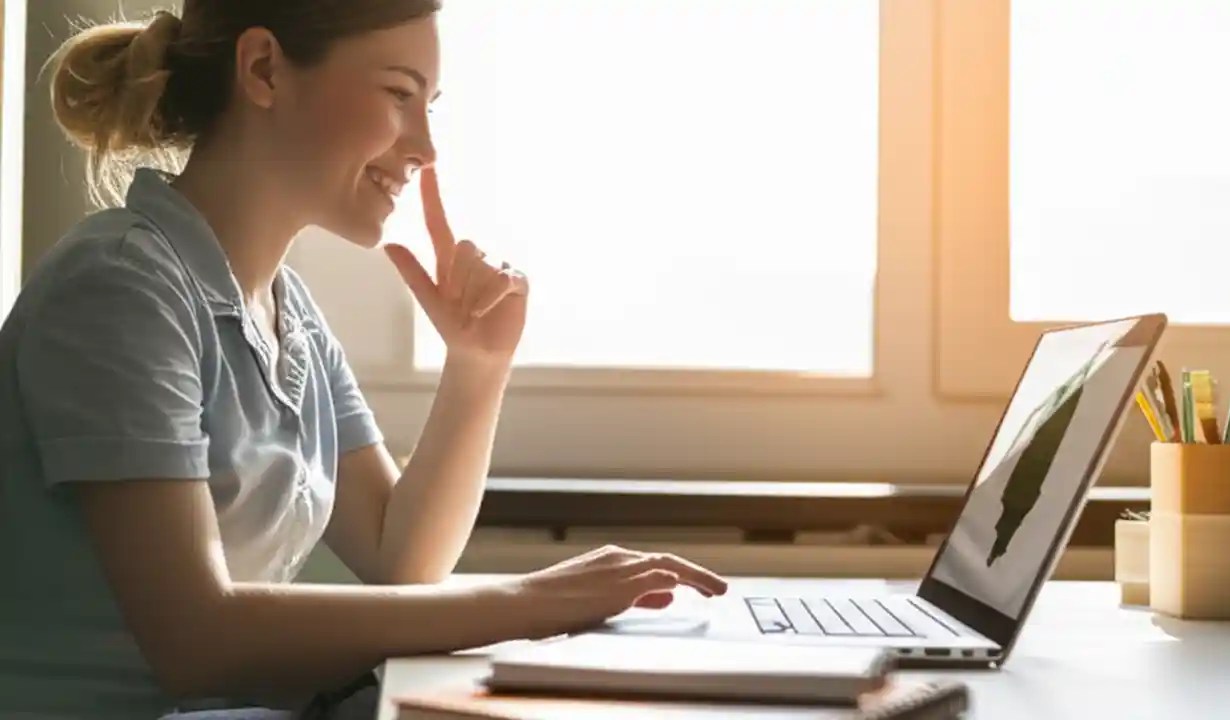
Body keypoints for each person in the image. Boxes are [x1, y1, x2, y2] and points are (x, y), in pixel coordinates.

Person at [0, 2, 729, 718]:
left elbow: (400, 556)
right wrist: (533, 601)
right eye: (399, 95)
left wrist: (478, 365)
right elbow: (194, 636)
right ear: (264, 70)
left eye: (429, 107)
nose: (426, 148)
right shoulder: (121, 288)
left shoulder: (289, 313)